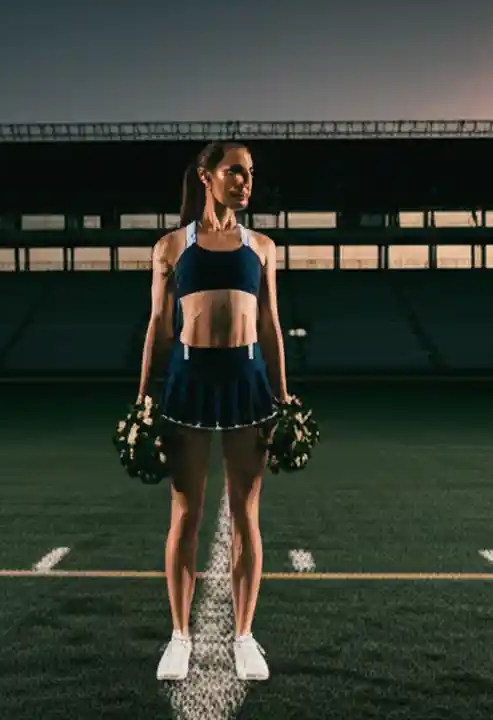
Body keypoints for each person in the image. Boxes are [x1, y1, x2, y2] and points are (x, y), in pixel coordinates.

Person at [136, 140, 289, 682]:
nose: (246, 181)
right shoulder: (172, 245)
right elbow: (157, 325)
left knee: (247, 515)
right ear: (206, 176)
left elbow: (270, 325)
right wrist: (143, 398)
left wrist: (284, 396)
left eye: (250, 174)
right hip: (187, 380)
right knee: (187, 513)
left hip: (248, 382)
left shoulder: (264, 246)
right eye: (235, 172)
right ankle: (180, 637)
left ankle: (244, 637)